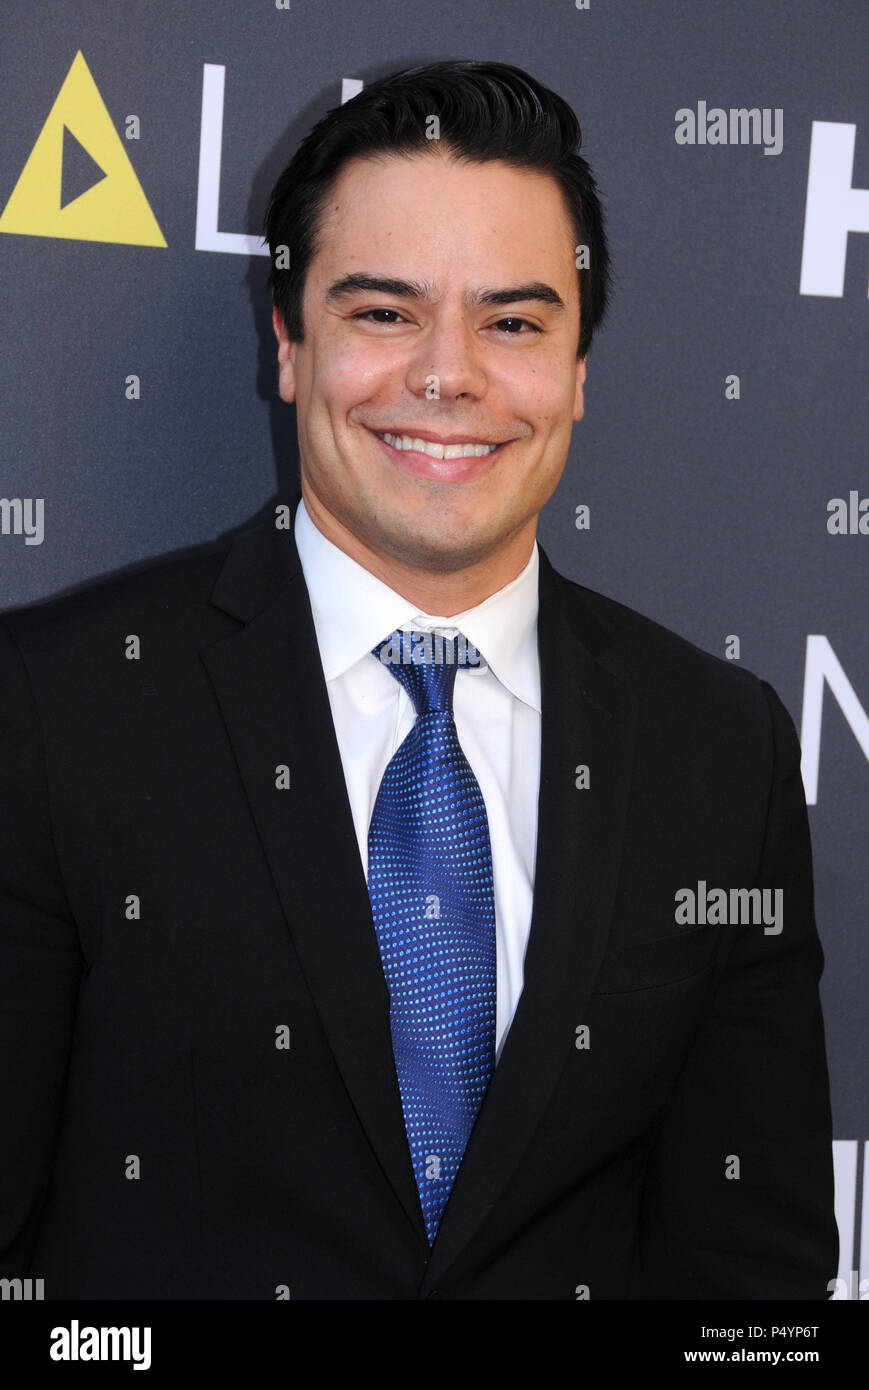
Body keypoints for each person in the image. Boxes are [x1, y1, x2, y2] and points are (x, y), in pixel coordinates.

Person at [0, 60, 837, 1300]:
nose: (448, 376)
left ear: (577, 371)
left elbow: (748, 1272)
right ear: (288, 344)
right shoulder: (53, 710)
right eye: (383, 313)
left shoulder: (717, 749)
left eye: (512, 321)